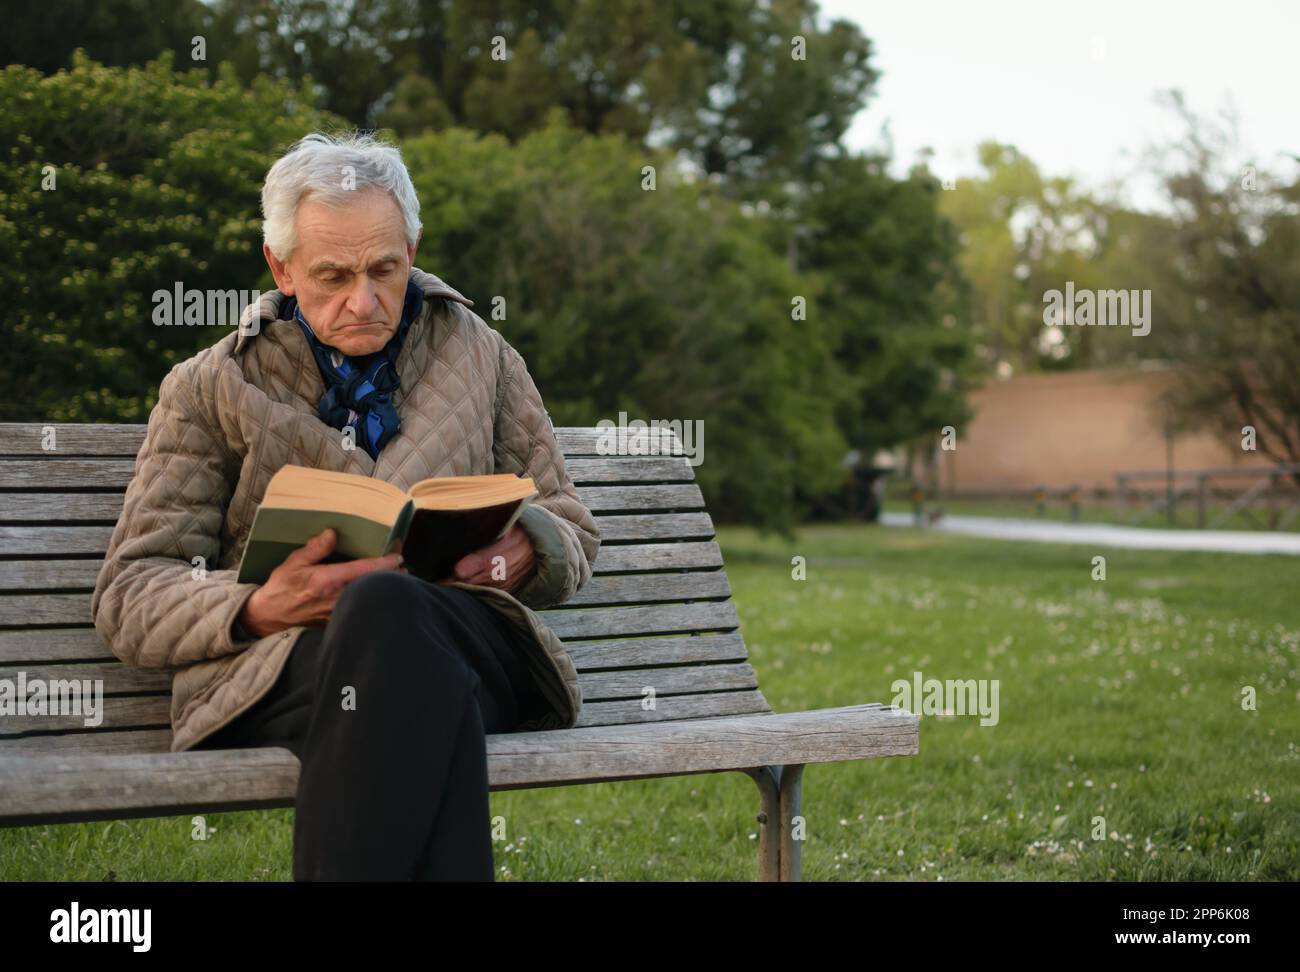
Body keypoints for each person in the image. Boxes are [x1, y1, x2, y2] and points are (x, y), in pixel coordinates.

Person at [90, 131, 600, 881]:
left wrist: (527, 545)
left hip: (469, 644)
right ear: (280, 266)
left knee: (394, 621)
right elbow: (131, 591)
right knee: (401, 653)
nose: (364, 300)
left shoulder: (482, 354)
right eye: (332, 276)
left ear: (413, 245)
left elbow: (571, 525)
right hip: (290, 668)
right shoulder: (210, 386)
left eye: (385, 269)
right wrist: (262, 604)